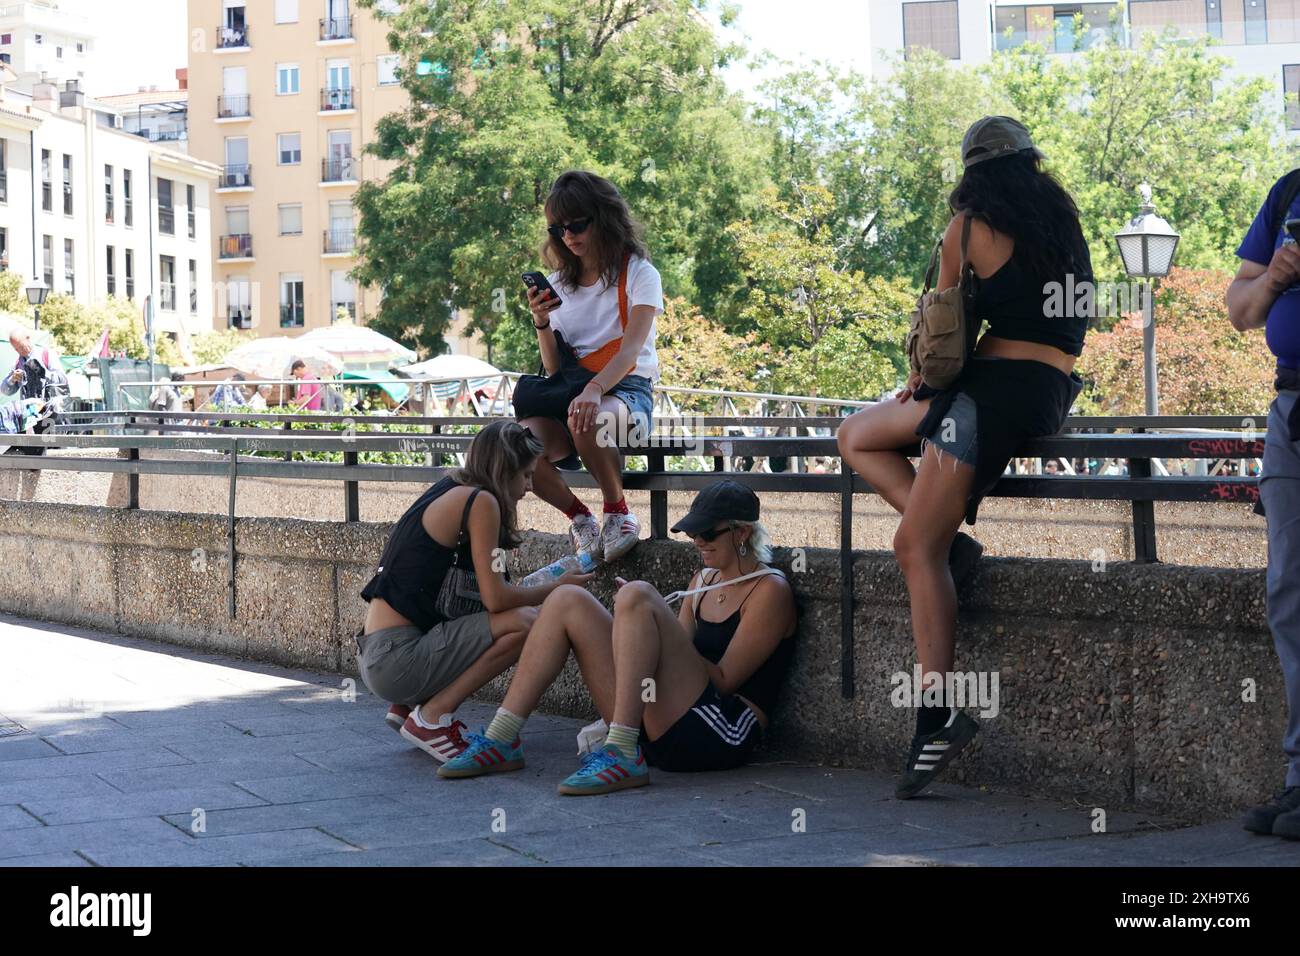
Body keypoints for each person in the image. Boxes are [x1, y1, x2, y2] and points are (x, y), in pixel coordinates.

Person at [836, 116, 1091, 799]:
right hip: (1047, 393)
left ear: (972, 173)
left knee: (911, 546)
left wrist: (919, 380)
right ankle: (948, 548)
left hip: (986, 395)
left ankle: (937, 711)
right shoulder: (1067, 229)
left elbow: (943, 345)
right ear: (1031, 165)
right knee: (856, 433)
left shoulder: (966, 228)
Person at [437, 479, 798, 795]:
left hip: (718, 733)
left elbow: (723, 681)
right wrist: (637, 628)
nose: (697, 541)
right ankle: (503, 737)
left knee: (638, 595)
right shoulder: (701, 582)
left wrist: (648, 615)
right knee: (567, 598)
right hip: (661, 726)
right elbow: (676, 659)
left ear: (742, 533)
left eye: (708, 533)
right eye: (692, 533)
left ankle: (622, 749)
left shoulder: (769, 590)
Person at [357, 420, 594, 763]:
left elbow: (487, 592)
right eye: (526, 475)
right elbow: (497, 598)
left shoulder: (451, 487)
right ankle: (433, 717)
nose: (529, 487)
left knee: (512, 616)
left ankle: (410, 706)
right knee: (528, 624)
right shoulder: (481, 501)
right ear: (502, 470)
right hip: (397, 661)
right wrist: (556, 589)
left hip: (380, 652)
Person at [518, 170, 664, 565]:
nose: (568, 236)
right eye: (558, 229)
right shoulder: (558, 284)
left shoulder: (638, 274)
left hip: (627, 393)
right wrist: (542, 322)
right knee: (516, 443)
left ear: (604, 217)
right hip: (573, 395)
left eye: (577, 224)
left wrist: (595, 389)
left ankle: (618, 512)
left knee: (589, 416)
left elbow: (632, 351)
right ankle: (579, 517)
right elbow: (553, 369)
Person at [1226, 168, 1300, 840]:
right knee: (1290, 593)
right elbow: (1239, 310)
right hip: (1290, 410)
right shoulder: (1289, 190)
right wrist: (1277, 275)